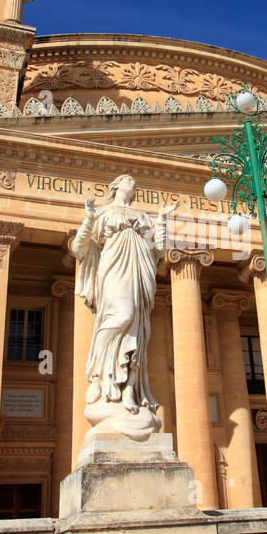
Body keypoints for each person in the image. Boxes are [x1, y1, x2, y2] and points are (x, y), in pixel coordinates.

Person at [71, 174, 171, 420]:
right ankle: (98, 375)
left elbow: (158, 250)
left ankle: (129, 388)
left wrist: (163, 221)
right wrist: (89, 219)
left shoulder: (142, 217)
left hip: (140, 273)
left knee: (137, 329)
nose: (133, 184)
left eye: (135, 182)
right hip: (114, 269)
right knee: (121, 316)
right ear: (116, 186)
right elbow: (78, 248)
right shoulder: (104, 213)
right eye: (128, 180)